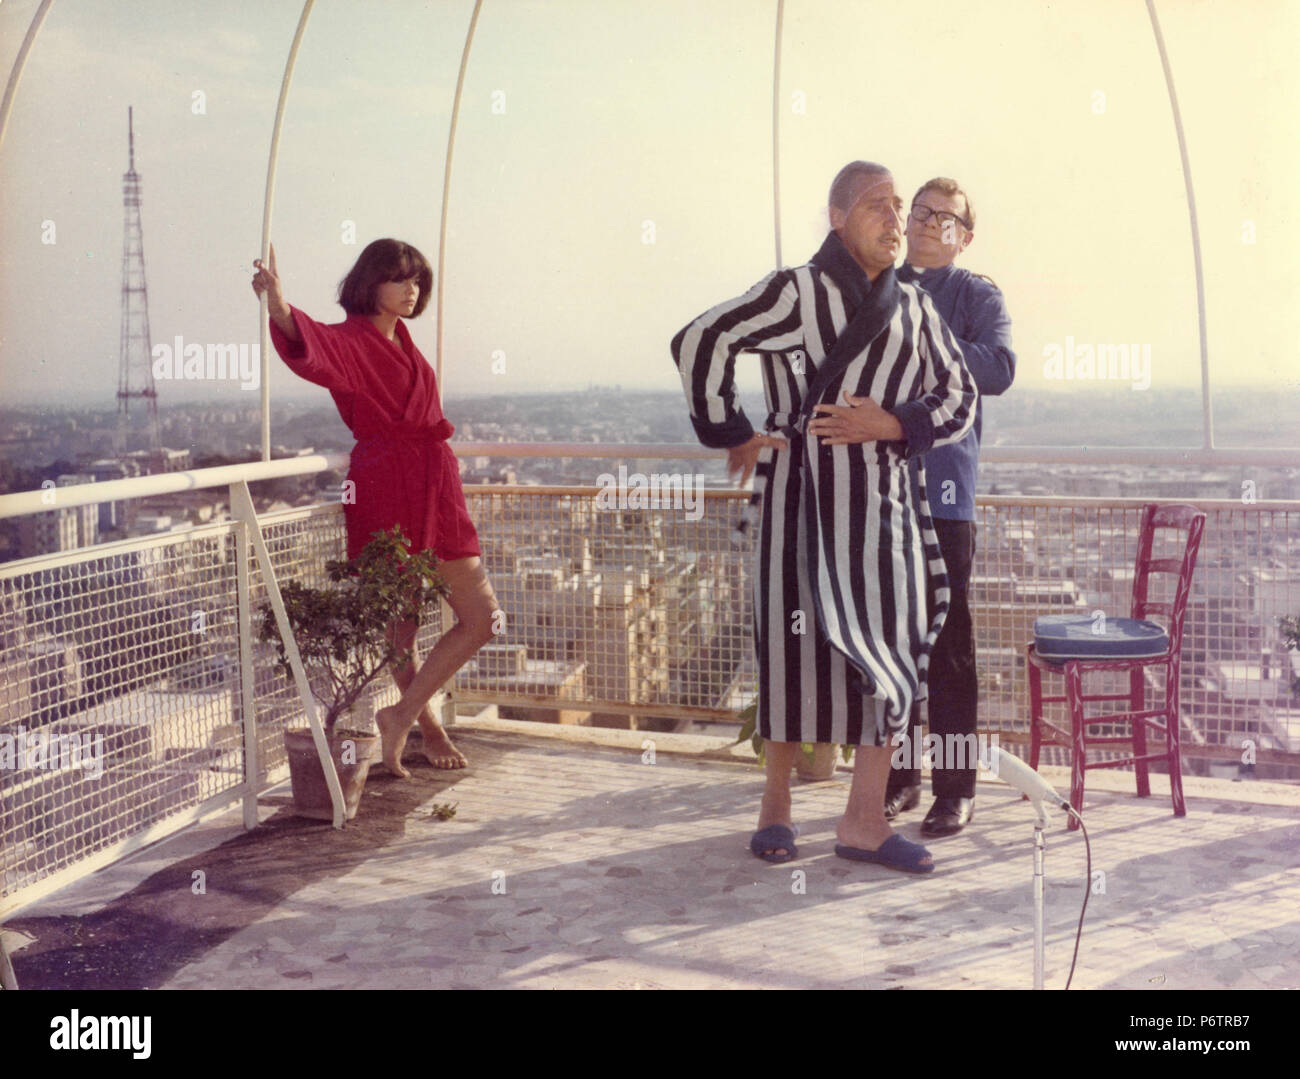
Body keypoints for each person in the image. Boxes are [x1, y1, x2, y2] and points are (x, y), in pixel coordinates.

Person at [671, 162, 976, 873]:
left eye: (901, 206)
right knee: (791, 648)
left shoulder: (917, 307)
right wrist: (733, 431)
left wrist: (894, 424)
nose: (897, 217)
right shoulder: (795, 292)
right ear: (836, 217)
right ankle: (775, 806)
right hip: (799, 501)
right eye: (878, 204)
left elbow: (958, 398)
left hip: (885, 509)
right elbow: (701, 340)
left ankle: (863, 820)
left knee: (892, 662)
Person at [251, 239, 499, 777]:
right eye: (400, 279)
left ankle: (401, 715)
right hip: (384, 487)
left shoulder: (406, 342)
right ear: (371, 283)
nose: (412, 290)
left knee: (482, 618)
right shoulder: (351, 340)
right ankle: (427, 726)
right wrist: (278, 306)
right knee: (399, 629)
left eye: (418, 282)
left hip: (436, 485)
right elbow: (309, 343)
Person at [885, 179, 1016, 837]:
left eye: (948, 218)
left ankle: (955, 789)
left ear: (965, 236)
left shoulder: (974, 295)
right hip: (882, 489)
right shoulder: (876, 283)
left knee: (950, 646)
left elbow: (997, 367)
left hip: (945, 495)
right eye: (922, 211)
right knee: (894, 641)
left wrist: (926, 332)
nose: (931, 223)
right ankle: (900, 777)